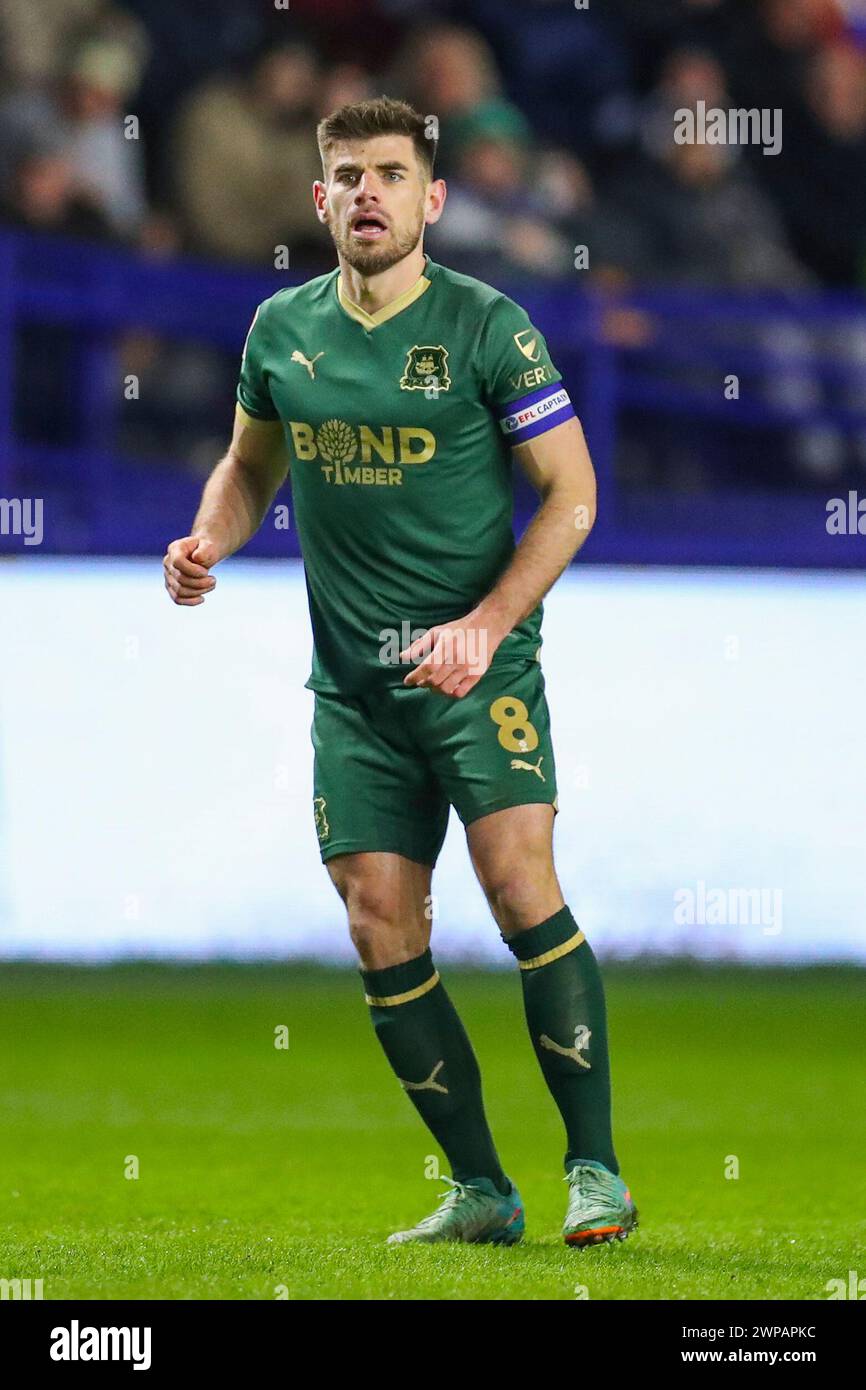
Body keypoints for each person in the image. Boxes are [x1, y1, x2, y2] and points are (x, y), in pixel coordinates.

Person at [163, 97, 637, 1248]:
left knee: (519, 884)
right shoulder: (280, 329)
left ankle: (595, 1170)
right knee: (380, 919)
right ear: (318, 197)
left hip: (483, 669)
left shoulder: (488, 328)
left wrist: (484, 624)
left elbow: (570, 496)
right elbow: (245, 465)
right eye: (344, 174)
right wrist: (209, 537)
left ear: (431, 199)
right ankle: (481, 1188)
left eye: (388, 172)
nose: (364, 191)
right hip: (355, 688)